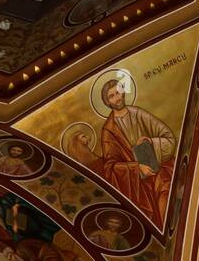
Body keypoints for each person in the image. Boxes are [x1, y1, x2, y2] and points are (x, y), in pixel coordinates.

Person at [72, 80, 175, 229]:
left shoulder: (139, 114)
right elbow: (110, 167)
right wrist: (137, 168)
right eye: (112, 96)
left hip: (159, 170)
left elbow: (168, 137)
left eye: (118, 93)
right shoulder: (108, 130)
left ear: (124, 92)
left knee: (167, 199)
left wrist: (151, 142)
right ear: (107, 102)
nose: (117, 98)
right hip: (137, 184)